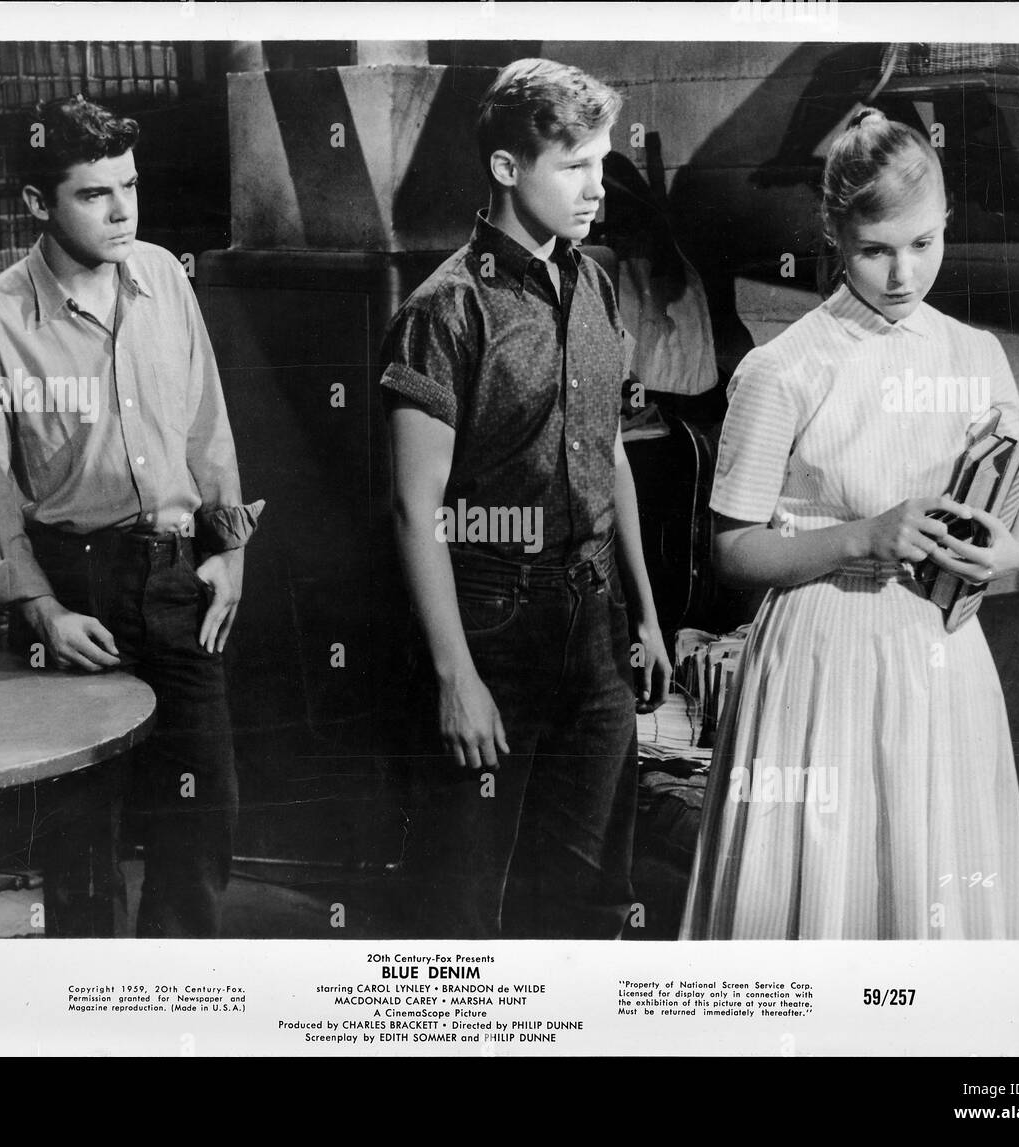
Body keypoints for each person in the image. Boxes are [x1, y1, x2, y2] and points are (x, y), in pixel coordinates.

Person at [680, 108, 1019, 941]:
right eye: (875, 249)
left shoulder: (975, 354)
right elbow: (731, 550)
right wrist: (862, 535)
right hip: (823, 653)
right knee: (822, 894)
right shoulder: (783, 368)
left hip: (945, 655)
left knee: (931, 887)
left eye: (923, 244)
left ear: (946, 222)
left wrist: (997, 556)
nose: (901, 274)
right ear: (833, 233)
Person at [0, 94, 262, 939]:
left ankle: (170, 1005)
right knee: (83, 843)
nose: (123, 210)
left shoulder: (163, 274)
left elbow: (206, 426)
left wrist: (228, 547)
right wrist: (43, 611)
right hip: (74, 589)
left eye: (129, 185)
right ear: (35, 204)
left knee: (203, 818)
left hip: (178, 578)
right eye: (94, 193)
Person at [380, 58, 671, 940]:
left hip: (597, 616)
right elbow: (414, 509)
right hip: (493, 616)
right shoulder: (445, 310)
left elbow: (609, 453)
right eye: (574, 165)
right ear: (508, 169)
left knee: (588, 892)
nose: (598, 188)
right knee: (467, 896)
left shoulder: (597, 282)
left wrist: (646, 616)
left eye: (603, 161)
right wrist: (455, 675)